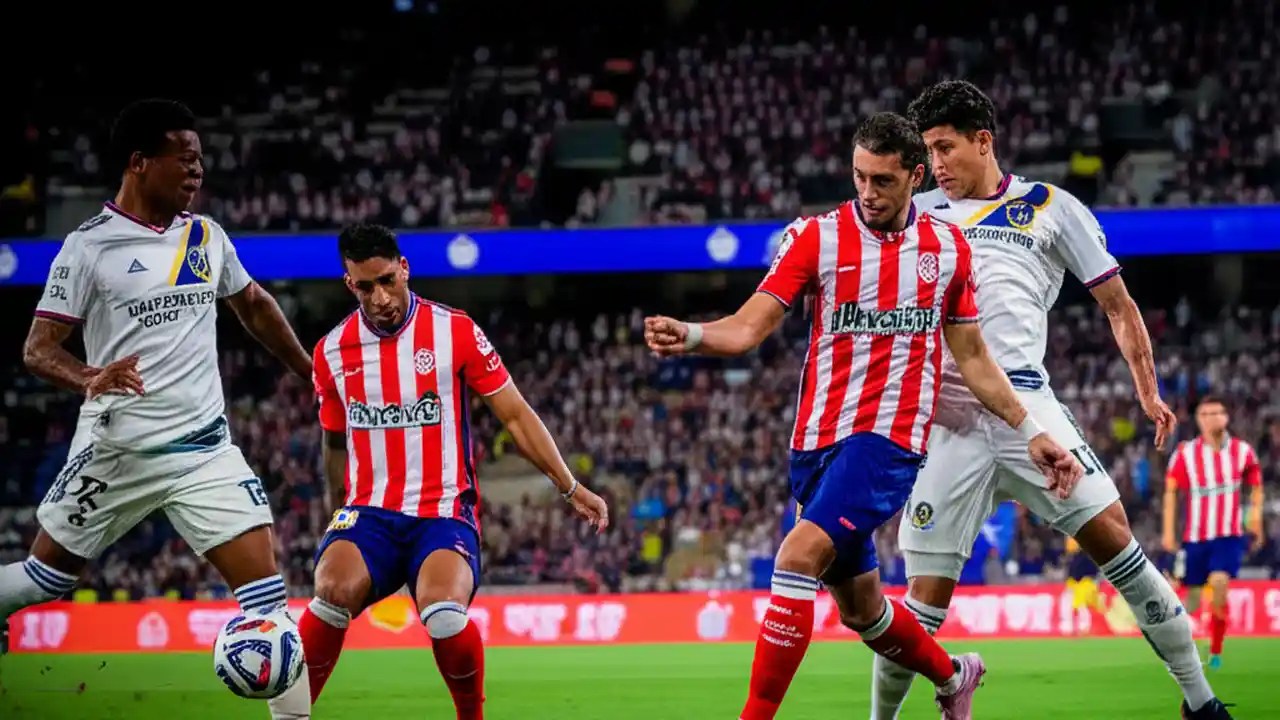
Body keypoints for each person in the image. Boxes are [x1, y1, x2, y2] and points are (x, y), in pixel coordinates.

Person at [643, 112, 1082, 720]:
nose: (868, 193)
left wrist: (1031, 431)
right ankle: (954, 676)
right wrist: (690, 334)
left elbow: (975, 358)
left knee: (796, 556)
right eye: (859, 177)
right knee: (861, 609)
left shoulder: (946, 249)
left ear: (915, 176)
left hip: (890, 440)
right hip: (818, 440)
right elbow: (748, 328)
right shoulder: (816, 239)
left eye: (882, 181)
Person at [872, 79, 1230, 720]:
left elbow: (1118, 306)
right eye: (928, 152)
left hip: (1029, 408)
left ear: (984, 142)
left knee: (1119, 546)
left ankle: (1201, 701)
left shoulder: (1051, 207)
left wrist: (1147, 390)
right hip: (947, 420)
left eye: (946, 148)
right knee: (921, 598)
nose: (937, 165)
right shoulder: (914, 212)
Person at [1, 100, 312, 660]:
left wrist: (311, 374)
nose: (197, 170)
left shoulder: (205, 237)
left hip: (204, 452)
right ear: (140, 163)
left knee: (269, 612)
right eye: (184, 158)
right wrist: (90, 376)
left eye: (200, 160)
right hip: (118, 449)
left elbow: (256, 306)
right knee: (44, 580)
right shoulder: (89, 247)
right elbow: (38, 349)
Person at [267, 223, 609, 720]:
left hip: (444, 512)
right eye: (365, 287)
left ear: (404, 269)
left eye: (387, 280)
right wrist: (336, 511)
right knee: (330, 591)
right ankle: (288, 718)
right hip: (369, 512)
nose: (380, 297)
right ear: (349, 284)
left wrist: (569, 485)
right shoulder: (331, 352)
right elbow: (334, 439)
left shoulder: (455, 331)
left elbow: (514, 414)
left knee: (444, 613)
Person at [1163, 396, 1264, 670]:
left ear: (1226, 417)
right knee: (1193, 601)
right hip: (1195, 538)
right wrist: (1167, 532)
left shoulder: (1243, 452)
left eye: (1216, 413)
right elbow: (1171, 492)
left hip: (1228, 536)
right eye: (1205, 413)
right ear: (1198, 420)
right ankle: (1180, 641)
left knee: (1219, 584)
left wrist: (1255, 521)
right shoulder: (1185, 454)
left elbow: (1256, 486)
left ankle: (1216, 649)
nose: (1211, 418)